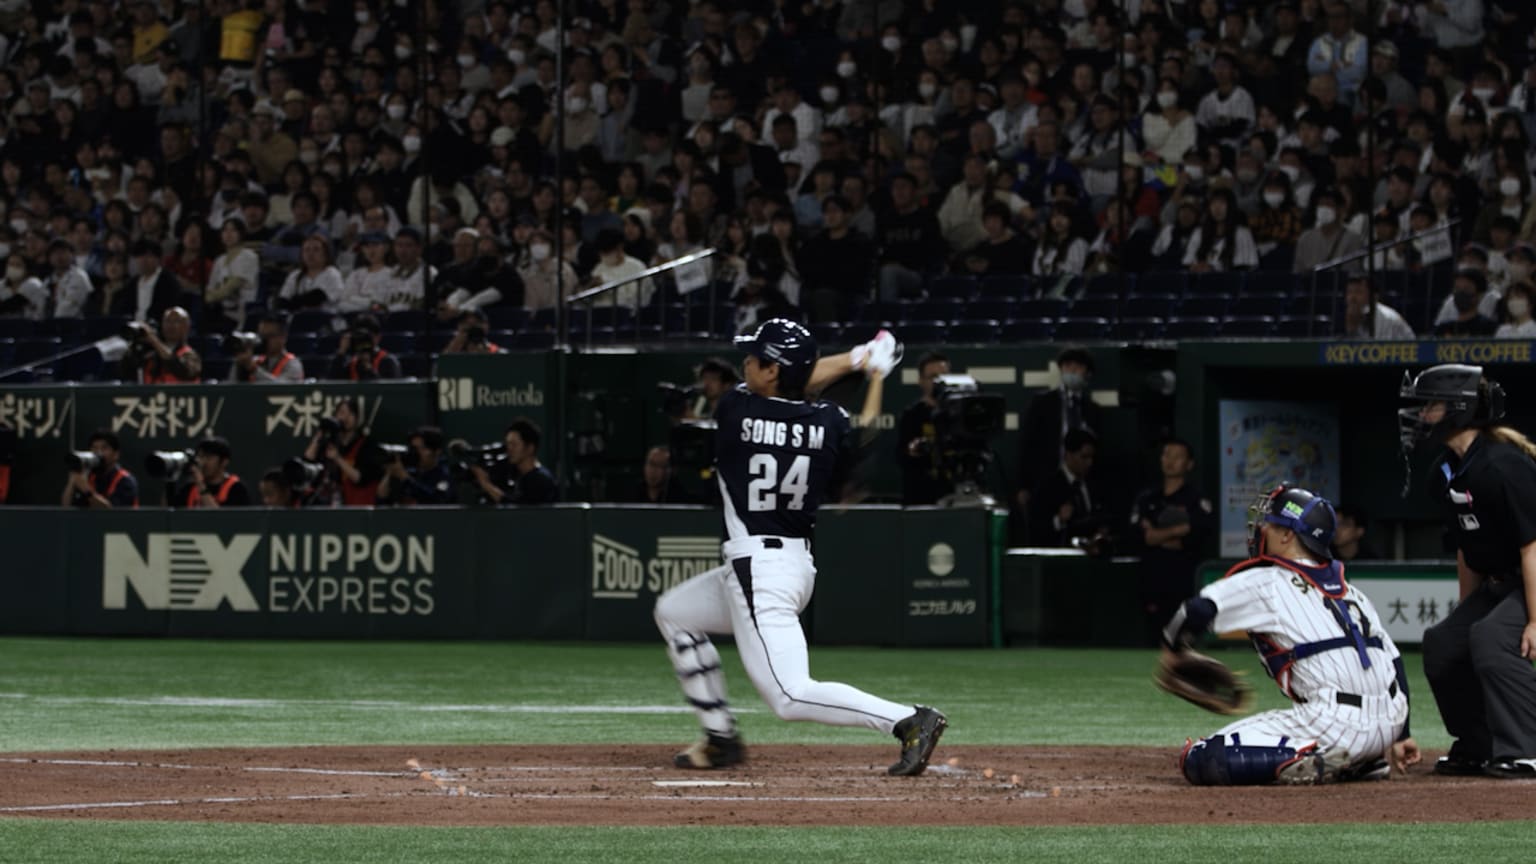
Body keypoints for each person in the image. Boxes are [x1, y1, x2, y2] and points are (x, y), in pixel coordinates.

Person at [653, 321, 947, 775]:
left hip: (760, 569)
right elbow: (864, 433)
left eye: (755, 359)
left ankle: (907, 719)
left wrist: (857, 356)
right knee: (675, 613)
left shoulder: (736, 408)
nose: (745, 363)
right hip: (788, 563)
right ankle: (720, 739)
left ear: (773, 371)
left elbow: (798, 378)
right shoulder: (828, 420)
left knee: (788, 695)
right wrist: (871, 371)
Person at [1162, 483, 1417, 785]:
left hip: (1335, 724)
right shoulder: (1354, 594)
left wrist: (1172, 651)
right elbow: (1396, 664)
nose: (1261, 530)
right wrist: (1403, 735)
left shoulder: (1268, 580)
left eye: (1269, 523)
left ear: (1287, 535)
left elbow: (1194, 612)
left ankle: (1310, 758)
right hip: (1390, 723)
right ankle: (1362, 762)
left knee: (1201, 757)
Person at [1399, 364, 1536, 778]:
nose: (1420, 416)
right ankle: (1480, 745)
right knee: (1444, 644)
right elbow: (1466, 548)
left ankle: (1527, 748)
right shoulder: (1445, 471)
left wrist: (1535, 620)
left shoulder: (1503, 465)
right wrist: (1466, 610)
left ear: (1457, 408)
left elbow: (1533, 544)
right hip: (1500, 581)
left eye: (1429, 406)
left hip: (1531, 574)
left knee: (1492, 637)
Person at [1129, 438, 1214, 647]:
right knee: (1150, 638)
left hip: (1182, 579)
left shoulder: (1195, 497)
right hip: (1151, 579)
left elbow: (1198, 532)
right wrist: (1178, 531)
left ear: (1189, 464)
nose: (1170, 461)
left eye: (1177, 456)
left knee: (1180, 640)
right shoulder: (1148, 497)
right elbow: (1138, 536)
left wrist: (1160, 534)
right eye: (1167, 455)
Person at [1015, 347, 1102, 543]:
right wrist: (1023, 485)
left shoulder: (1092, 409)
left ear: (1087, 373)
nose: (1072, 371)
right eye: (1067, 366)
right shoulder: (1042, 403)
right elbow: (1027, 444)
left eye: (1078, 367)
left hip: (1080, 483)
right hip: (1046, 478)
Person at [302, 398, 384, 506]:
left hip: (356, 506)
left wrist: (337, 458)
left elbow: (359, 478)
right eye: (341, 413)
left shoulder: (366, 444)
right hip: (328, 504)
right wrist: (320, 434)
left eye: (350, 414)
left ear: (357, 418)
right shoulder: (329, 441)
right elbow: (307, 460)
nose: (345, 417)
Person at [897, 351, 951, 506]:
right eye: (933, 377)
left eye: (944, 375)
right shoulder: (912, 415)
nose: (939, 381)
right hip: (921, 498)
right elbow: (900, 456)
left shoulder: (959, 412)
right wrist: (912, 450)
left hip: (955, 495)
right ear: (921, 380)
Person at [468, 418, 558, 505]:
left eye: (514, 445)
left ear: (530, 448)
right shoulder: (513, 473)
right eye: (508, 444)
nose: (509, 449)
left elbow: (519, 512)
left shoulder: (540, 479)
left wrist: (486, 485)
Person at [121, 306, 203, 384]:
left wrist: (154, 340)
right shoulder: (151, 354)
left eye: (176, 321)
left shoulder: (191, 355)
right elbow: (125, 371)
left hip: (178, 397)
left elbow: (181, 369)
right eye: (167, 321)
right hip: (150, 396)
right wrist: (135, 345)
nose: (171, 325)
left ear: (186, 327)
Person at [60, 429, 139, 509]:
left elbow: (114, 513)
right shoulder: (88, 475)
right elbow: (66, 507)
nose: (98, 452)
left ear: (116, 454)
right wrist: (73, 481)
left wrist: (86, 490)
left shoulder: (125, 480)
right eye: (94, 448)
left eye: (104, 448)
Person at [378, 425, 453, 506]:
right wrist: (390, 473)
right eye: (414, 448)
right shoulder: (410, 473)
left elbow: (436, 501)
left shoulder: (445, 475)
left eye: (422, 448)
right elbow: (382, 500)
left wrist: (404, 477)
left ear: (437, 451)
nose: (416, 453)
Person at [172, 437, 252, 508]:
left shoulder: (236, 489)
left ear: (224, 462)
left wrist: (201, 485)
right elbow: (169, 517)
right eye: (200, 456)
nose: (203, 462)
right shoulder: (189, 488)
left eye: (208, 457)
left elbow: (216, 519)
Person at [230, 313, 305, 382]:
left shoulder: (292, 364)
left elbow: (282, 390)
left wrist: (254, 369)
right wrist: (240, 365)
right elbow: (232, 387)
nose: (263, 340)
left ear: (283, 337)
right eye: (261, 336)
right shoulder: (255, 361)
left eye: (269, 336)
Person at [619, 445, 692, 503]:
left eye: (659, 465)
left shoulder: (680, 498)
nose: (653, 470)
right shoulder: (632, 494)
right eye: (651, 464)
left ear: (671, 470)